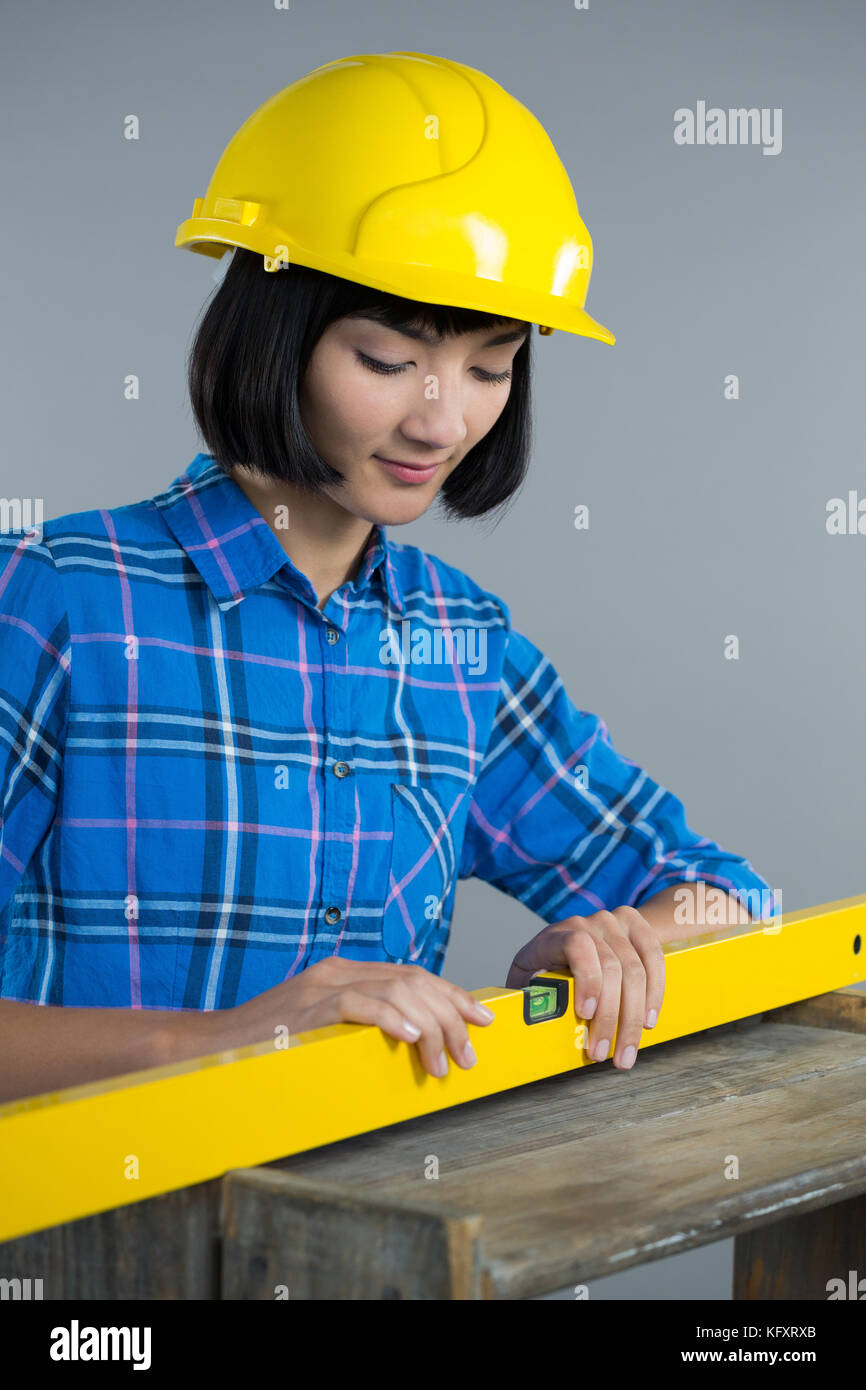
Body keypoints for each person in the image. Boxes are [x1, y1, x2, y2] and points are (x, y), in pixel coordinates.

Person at [0, 52, 776, 1103]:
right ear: (269, 337)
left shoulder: (461, 647)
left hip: (372, 1208)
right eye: (386, 361)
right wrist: (229, 1040)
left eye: (490, 367)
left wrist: (615, 944)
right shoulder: (53, 602)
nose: (442, 422)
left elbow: (731, 900)